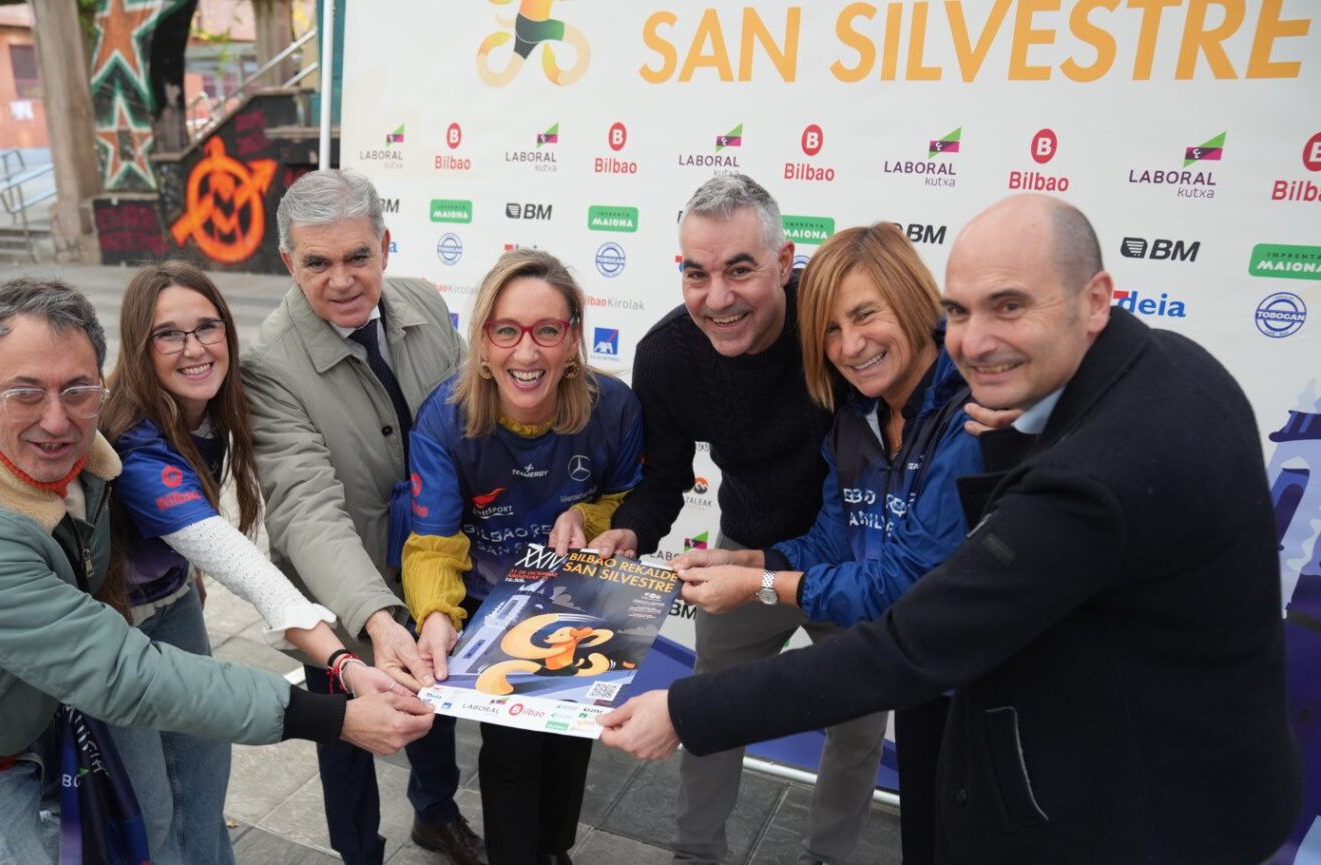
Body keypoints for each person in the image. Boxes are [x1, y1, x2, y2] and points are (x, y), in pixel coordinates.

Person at [600, 194, 1302, 865]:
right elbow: (843, 535)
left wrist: (696, 696)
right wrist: (759, 558)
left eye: (1010, 306)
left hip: (1143, 813)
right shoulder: (1157, 365)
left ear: (1096, 299)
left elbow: (911, 628)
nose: (976, 340)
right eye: (961, 311)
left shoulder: (1072, 467)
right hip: (1064, 746)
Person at [0, 278, 435, 865]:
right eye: (24, 392)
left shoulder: (86, 456)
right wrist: (333, 713)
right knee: (145, 819)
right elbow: (123, 672)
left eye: (78, 389)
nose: (57, 420)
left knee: (177, 805)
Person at [585, 174, 882, 865]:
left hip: (852, 555)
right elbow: (663, 479)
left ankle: (830, 857)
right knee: (711, 714)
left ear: (785, 264)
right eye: (698, 273)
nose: (716, 298)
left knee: (860, 724)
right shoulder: (666, 354)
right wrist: (630, 529)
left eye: (740, 269)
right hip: (742, 546)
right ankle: (696, 854)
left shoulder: (837, 327)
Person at [668, 223, 982, 864]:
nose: (850, 345)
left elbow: (905, 578)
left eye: (866, 315)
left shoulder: (973, 414)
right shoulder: (857, 415)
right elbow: (837, 538)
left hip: (977, 686)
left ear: (916, 302)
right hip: (923, 673)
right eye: (832, 330)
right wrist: (749, 560)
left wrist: (759, 582)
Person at [99, 261, 411, 865]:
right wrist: (345, 663)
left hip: (173, 600)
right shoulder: (133, 443)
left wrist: (179, 565)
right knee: (150, 808)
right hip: (114, 625)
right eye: (168, 334)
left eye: (207, 327)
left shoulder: (213, 405)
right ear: (140, 345)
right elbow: (243, 568)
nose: (194, 349)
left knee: (202, 781)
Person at [242, 169, 485, 865]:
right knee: (345, 727)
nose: (341, 279)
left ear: (386, 244)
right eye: (317, 262)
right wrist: (374, 618)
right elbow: (307, 507)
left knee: (430, 694)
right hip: (341, 585)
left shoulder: (423, 305)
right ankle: (359, 852)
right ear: (289, 262)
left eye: (358, 256)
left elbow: (472, 421)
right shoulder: (268, 365)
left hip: (431, 565)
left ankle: (436, 813)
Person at [404, 248, 644, 865]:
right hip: (489, 606)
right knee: (511, 751)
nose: (527, 352)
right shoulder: (446, 418)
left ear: (573, 339)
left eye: (547, 330)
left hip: (576, 597)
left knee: (569, 743)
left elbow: (628, 498)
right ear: (483, 341)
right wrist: (437, 614)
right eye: (506, 330)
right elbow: (434, 540)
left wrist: (588, 518)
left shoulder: (614, 405)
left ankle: (554, 850)